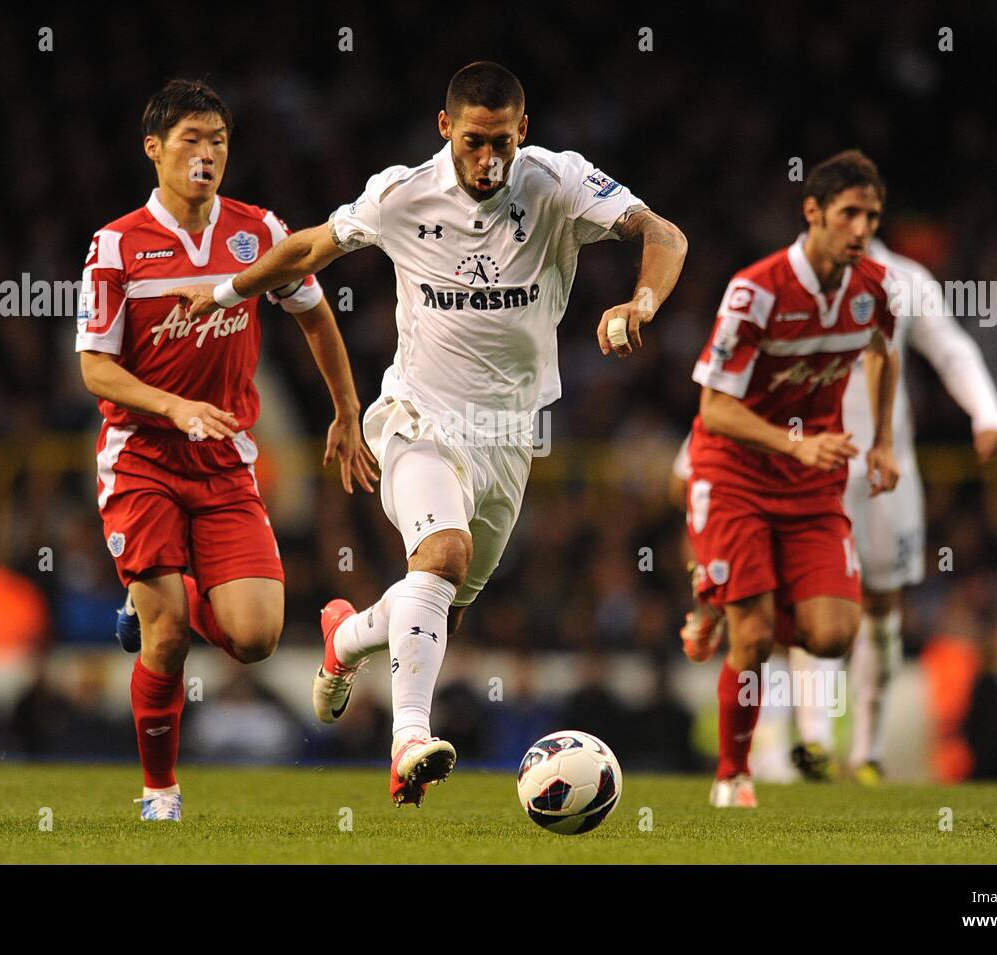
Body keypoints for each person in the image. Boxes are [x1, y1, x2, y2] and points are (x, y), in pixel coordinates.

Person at [172, 61, 687, 806]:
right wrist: (224, 290)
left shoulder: (557, 182)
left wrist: (641, 300)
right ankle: (409, 737)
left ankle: (345, 639)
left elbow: (662, 232)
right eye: (475, 141)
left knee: (442, 600)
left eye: (503, 142)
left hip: (509, 438)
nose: (490, 160)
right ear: (446, 128)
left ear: (524, 132)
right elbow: (310, 249)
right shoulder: (401, 193)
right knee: (442, 555)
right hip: (419, 417)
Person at [76, 79, 377, 821]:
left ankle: (154, 609)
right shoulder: (116, 245)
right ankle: (160, 791)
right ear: (155, 150)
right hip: (141, 457)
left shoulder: (258, 231)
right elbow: (95, 366)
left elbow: (313, 315)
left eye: (218, 140)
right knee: (169, 634)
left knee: (255, 638)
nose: (206, 154)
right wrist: (174, 405)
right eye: (190, 140)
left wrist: (346, 408)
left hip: (226, 463)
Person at [683, 150, 901, 808]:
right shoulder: (758, 289)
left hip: (810, 488)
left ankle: (719, 596)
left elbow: (882, 354)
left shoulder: (876, 288)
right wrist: (796, 444)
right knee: (752, 638)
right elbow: (713, 408)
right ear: (813, 212)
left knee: (834, 635)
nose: (860, 228)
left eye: (871, 216)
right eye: (848, 214)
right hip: (736, 474)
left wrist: (884, 440)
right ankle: (732, 774)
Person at [789, 235, 997, 785]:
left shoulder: (906, 280)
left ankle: (867, 749)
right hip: (818, 463)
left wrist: (987, 413)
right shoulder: (788, 277)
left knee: (882, 607)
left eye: (864, 208)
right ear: (816, 211)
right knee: (819, 602)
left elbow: (951, 349)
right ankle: (814, 741)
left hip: (891, 470)